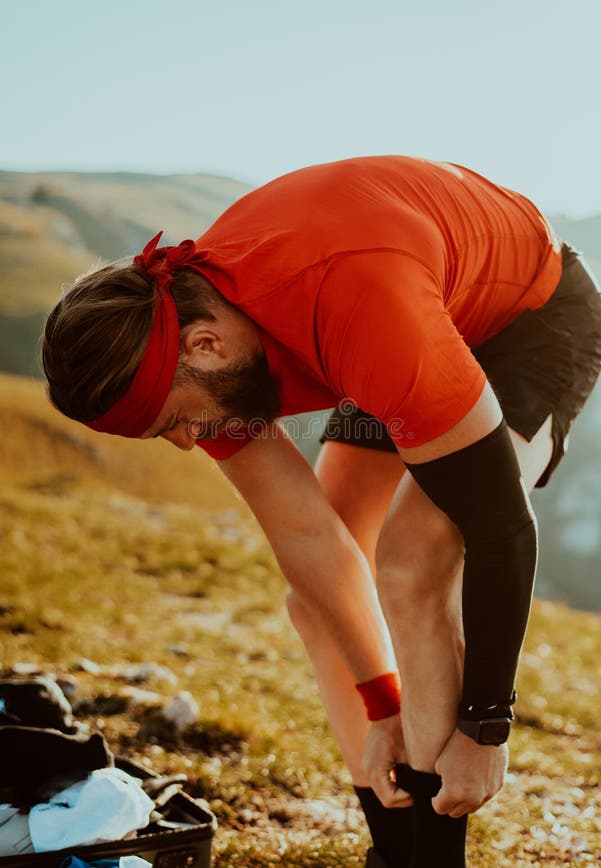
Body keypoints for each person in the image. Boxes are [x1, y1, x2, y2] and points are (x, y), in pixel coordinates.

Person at [41, 156, 601, 868]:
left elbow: (499, 531)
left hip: (529, 317)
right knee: (316, 606)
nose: (188, 443)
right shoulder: (203, 341)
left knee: (409, 562)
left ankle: (434, 859)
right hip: (398, 311)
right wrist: (383, 708)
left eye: (173, 422)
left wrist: (483, 728)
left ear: (205, 347)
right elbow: (309, 537)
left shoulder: (352, 307)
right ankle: (395, 845)